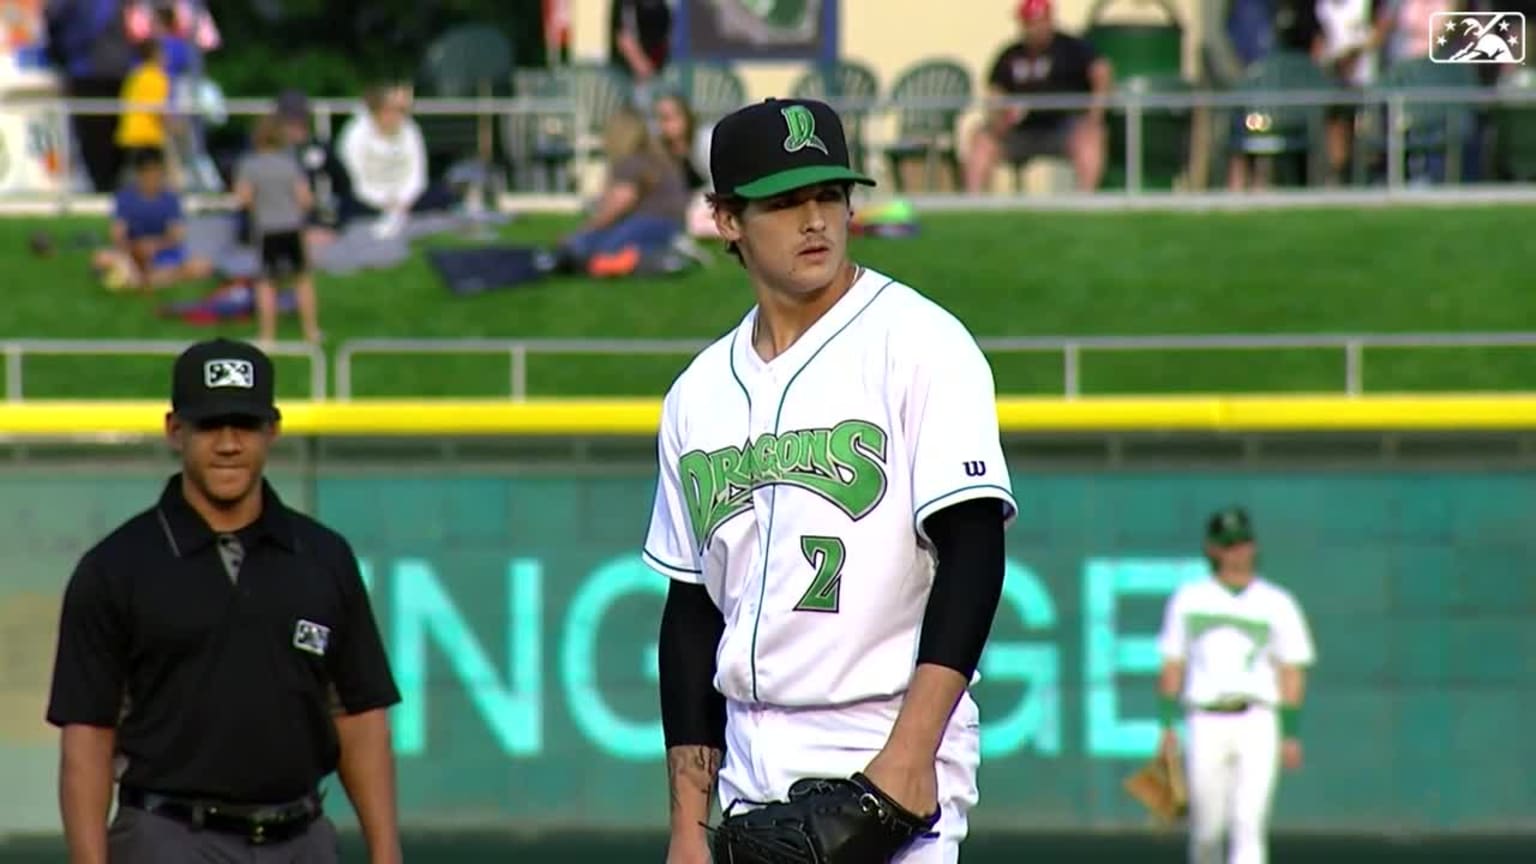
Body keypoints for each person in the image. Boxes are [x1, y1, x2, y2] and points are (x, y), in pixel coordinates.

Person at [643, 97, 1016, 864]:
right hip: (748, 752)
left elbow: (973, 553)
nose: (814, 219)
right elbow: (690, 610)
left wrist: (908, 761)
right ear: (727, 220)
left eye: (829, 195)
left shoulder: (920, 345)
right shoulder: (697, 394)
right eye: (784, 202)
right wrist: (687, 824)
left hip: (879, 737)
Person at [45, 338, 404, 864]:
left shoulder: (323, 557)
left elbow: (358, 714)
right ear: (175, 431)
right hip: (167, 839)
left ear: (273, 430)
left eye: (245, 425)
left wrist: (385, 851)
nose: (229, 443)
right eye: (209, 425)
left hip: (302, 840)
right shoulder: (116, 568)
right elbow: (88, 736)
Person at [1155, 507, 1316, 864]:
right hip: (1205, 717)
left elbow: (1292, 670)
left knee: (1248, 824)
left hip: (1257, 718)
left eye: (1243, 543)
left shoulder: (1276, 602)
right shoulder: (1190, 598)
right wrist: (1166, 724)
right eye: (1229, 545)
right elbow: (1172, 664)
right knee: (1207, 830)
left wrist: (1290, 733)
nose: (1238, 552)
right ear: (1213, 550)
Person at [965, 0, 1112, 194]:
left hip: (1064, 128)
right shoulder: (1010, 55)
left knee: (1091, 136)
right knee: (981, 138)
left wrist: (1094, 116)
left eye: (1038, 22)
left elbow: (1102, 73)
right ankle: (974, 203)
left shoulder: (1073, 48)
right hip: (1020, 130)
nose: (1034, 28)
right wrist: (997, 120)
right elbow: (995, 92)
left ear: (1050, 20)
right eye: (1028, 23)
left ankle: (1084, 203)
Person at [556, 106, 689, 275]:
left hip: (651, 219)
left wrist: (586, 229)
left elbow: (619, 203)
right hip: (672, 221)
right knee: (594, 244)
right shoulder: (654, 157)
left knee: (597, 248)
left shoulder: (631, 162)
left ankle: (664, 256)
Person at [234, 113, 321, 345]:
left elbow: (243, 198)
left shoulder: (249, 165)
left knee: (266, 283)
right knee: (302, 279)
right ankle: (311, 331)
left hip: (266, 229)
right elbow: (305, 199)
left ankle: (267, 335)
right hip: (293, 227)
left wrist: (258, 206)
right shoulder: (290, 164)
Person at [91, 147, 213, 291]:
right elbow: (118, 235)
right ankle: (146, 277)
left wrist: (154, 245)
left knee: (203, 265)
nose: (152, 177)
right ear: (139, 173)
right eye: (147, 171)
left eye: (156, 171)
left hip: (164, 254)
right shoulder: (125, 198)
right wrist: (137, 248)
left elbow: (176, 236)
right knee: (101, 257)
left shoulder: (170, 199)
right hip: (132, 253)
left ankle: (142, 279)